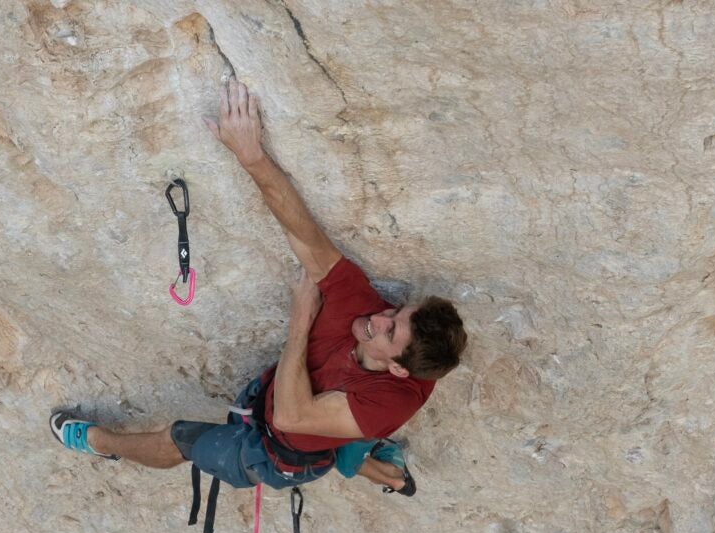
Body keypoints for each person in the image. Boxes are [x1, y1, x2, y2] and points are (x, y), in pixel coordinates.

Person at [51, 77, 467, 495]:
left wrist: (300, 322)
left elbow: (290, 417)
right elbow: (304, 233)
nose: (379, 315)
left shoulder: (386, 402)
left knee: (181, 439)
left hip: (280, 453)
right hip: (297, 404)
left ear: (397, 368)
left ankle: (96, 442)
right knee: (345, 435)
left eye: (390, 330)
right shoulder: (364, 310)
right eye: (395, 313)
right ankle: (377, 464)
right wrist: (251, 156)